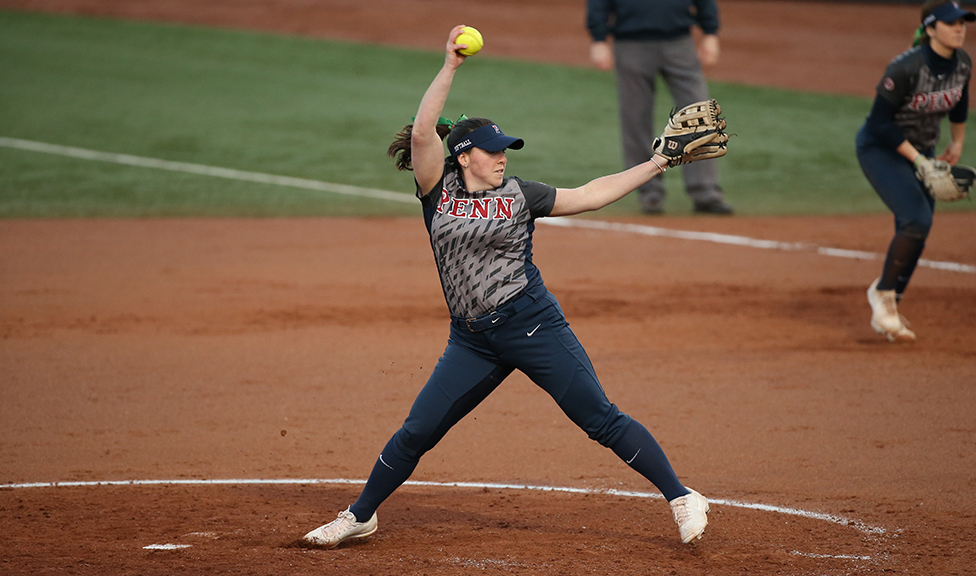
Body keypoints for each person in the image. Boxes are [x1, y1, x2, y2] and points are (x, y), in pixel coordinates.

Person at [301, 25, 710, 549]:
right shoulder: (436, 191)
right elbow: (424, 133)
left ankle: (681, 496)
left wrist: (658, 161)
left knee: (597, 418)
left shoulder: (521, 194)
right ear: (465, 156)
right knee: (418, 430)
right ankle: (360, 515)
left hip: (532, 324)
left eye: (505, 150)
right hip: (471, 340)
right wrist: (450, 64)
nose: (503, 157)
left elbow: (588, 195)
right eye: (493, 151)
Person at [856, 0, 975, 343]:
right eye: (952, 23)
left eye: (963, 22)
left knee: (918, 232)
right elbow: (879, 125)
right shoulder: (905, 68)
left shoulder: (963, 63)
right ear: (931, 28)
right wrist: (920, 162)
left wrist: (956, 143)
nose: (960, 28)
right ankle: (882, 295)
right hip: (881, 149)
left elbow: (960, 100)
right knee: (916, 220)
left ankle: (889, 309)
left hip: (920, 150)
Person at [587, 0, 732, 215]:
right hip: (631, 43)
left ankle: (706, 192)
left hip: (680, 41)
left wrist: (711, 32)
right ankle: (649, 192)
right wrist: (598, 39)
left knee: (699, 114)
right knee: (636, 119)